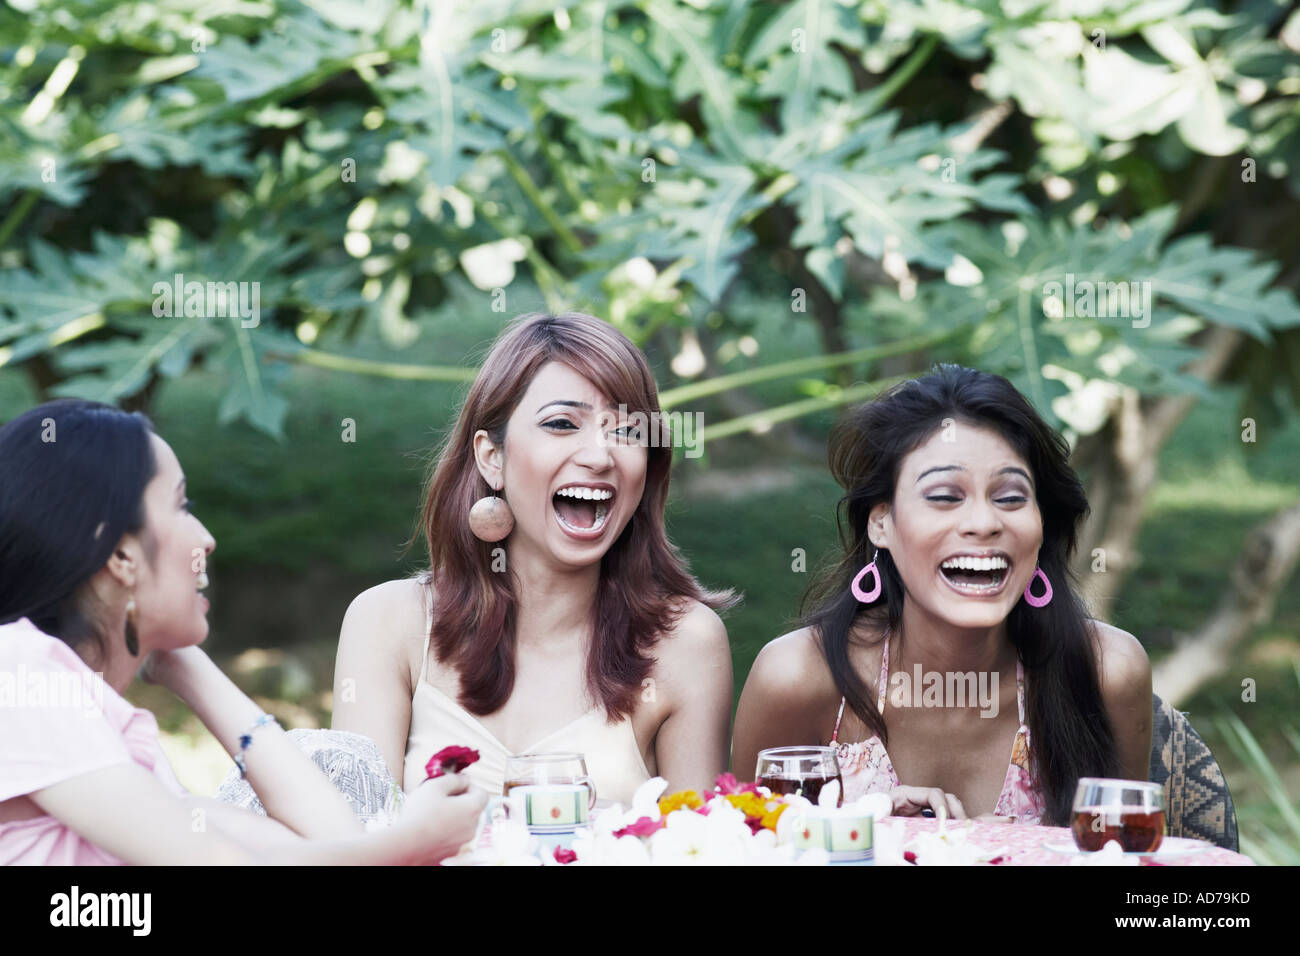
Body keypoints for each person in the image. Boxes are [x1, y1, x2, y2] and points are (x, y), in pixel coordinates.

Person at [0, 400, 485, 864]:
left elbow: (334, 837)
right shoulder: (21, 677)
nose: (206, 539)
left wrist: (186, 664)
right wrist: (412, 841)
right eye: (182, 505)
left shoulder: (111, 743)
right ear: (121, 555)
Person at [333, 312, 735, 804]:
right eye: (562, 424)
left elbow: (704, 848)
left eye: (629, 431)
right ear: (491, 458)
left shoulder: (686, 643)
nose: (600, 455)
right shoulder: (387, 624)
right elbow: (351, 840)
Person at [733, 365, 1152, 824]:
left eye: (1011, 497)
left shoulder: (1106, 672)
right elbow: (747, 849)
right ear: (881, 522)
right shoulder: (799, 679)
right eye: (945, 496)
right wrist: (864, 840)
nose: (984, 522)